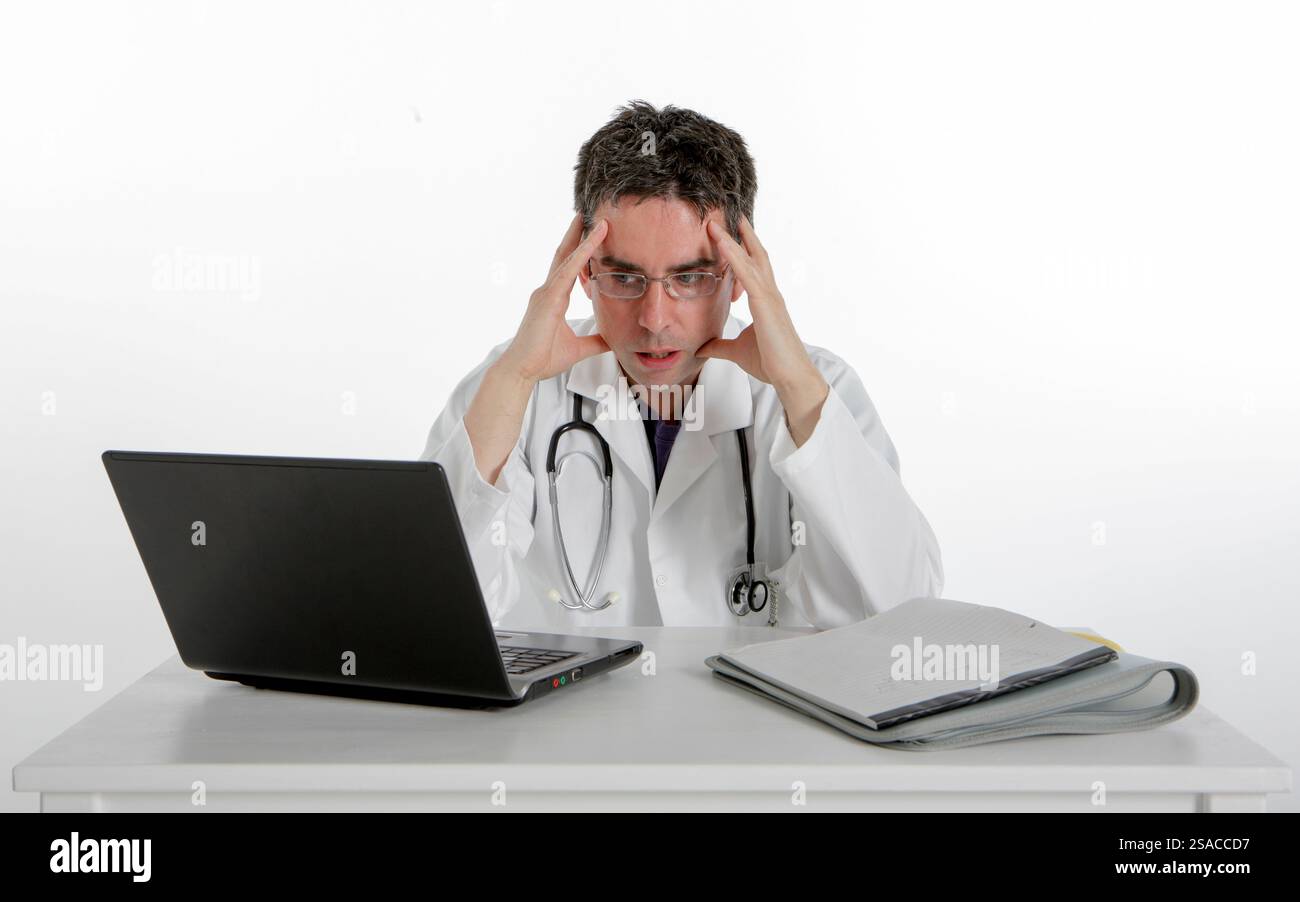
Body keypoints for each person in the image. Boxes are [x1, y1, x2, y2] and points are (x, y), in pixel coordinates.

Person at [420, 100, 943, 630]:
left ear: (741, 276)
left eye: (689, 278)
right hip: (575, 715)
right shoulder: (512, 386)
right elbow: (431, 612)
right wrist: (515, 378)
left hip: (755, 716)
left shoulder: (819, 390)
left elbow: (903, 608)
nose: (654, 319)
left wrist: (797, 389)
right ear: (582, 272)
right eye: (624, 278)